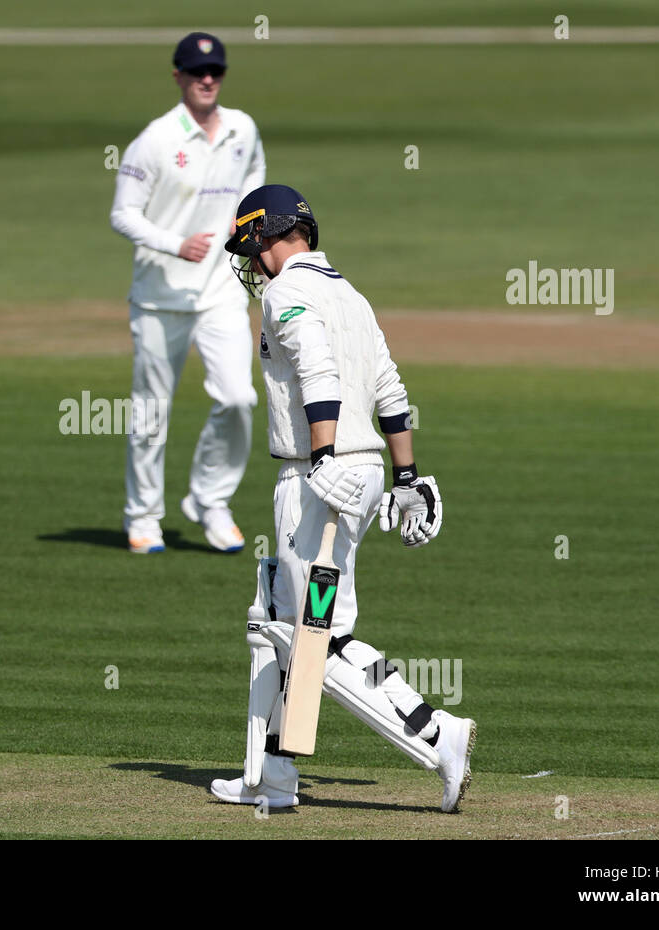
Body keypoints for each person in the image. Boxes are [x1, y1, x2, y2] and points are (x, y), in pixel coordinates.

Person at [209, 184, 476, 811]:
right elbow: (390, 388)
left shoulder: (286, 292)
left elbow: (317, 373)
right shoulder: (349, 293)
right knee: (278, 616)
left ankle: (438, 737)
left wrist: (324, 458)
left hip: (318, 482)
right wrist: (408, 478)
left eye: (251, 246)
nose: (250, 262)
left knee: (315, 638)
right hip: (361, 473)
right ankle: (269, 778)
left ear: (269, 236)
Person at [110, 31, 265, 554]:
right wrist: (175, 244)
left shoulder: (242, 129)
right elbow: (122, 214)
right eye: (197, 72)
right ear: (177, 76)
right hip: (159, 297)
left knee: (239, 397)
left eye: (216, 72)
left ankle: (209, 499)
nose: (207, 79)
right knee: (152, 413)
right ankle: (143, 517)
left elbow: (255, 180)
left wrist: (249, 232)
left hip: (221, 290)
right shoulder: (155, 140)